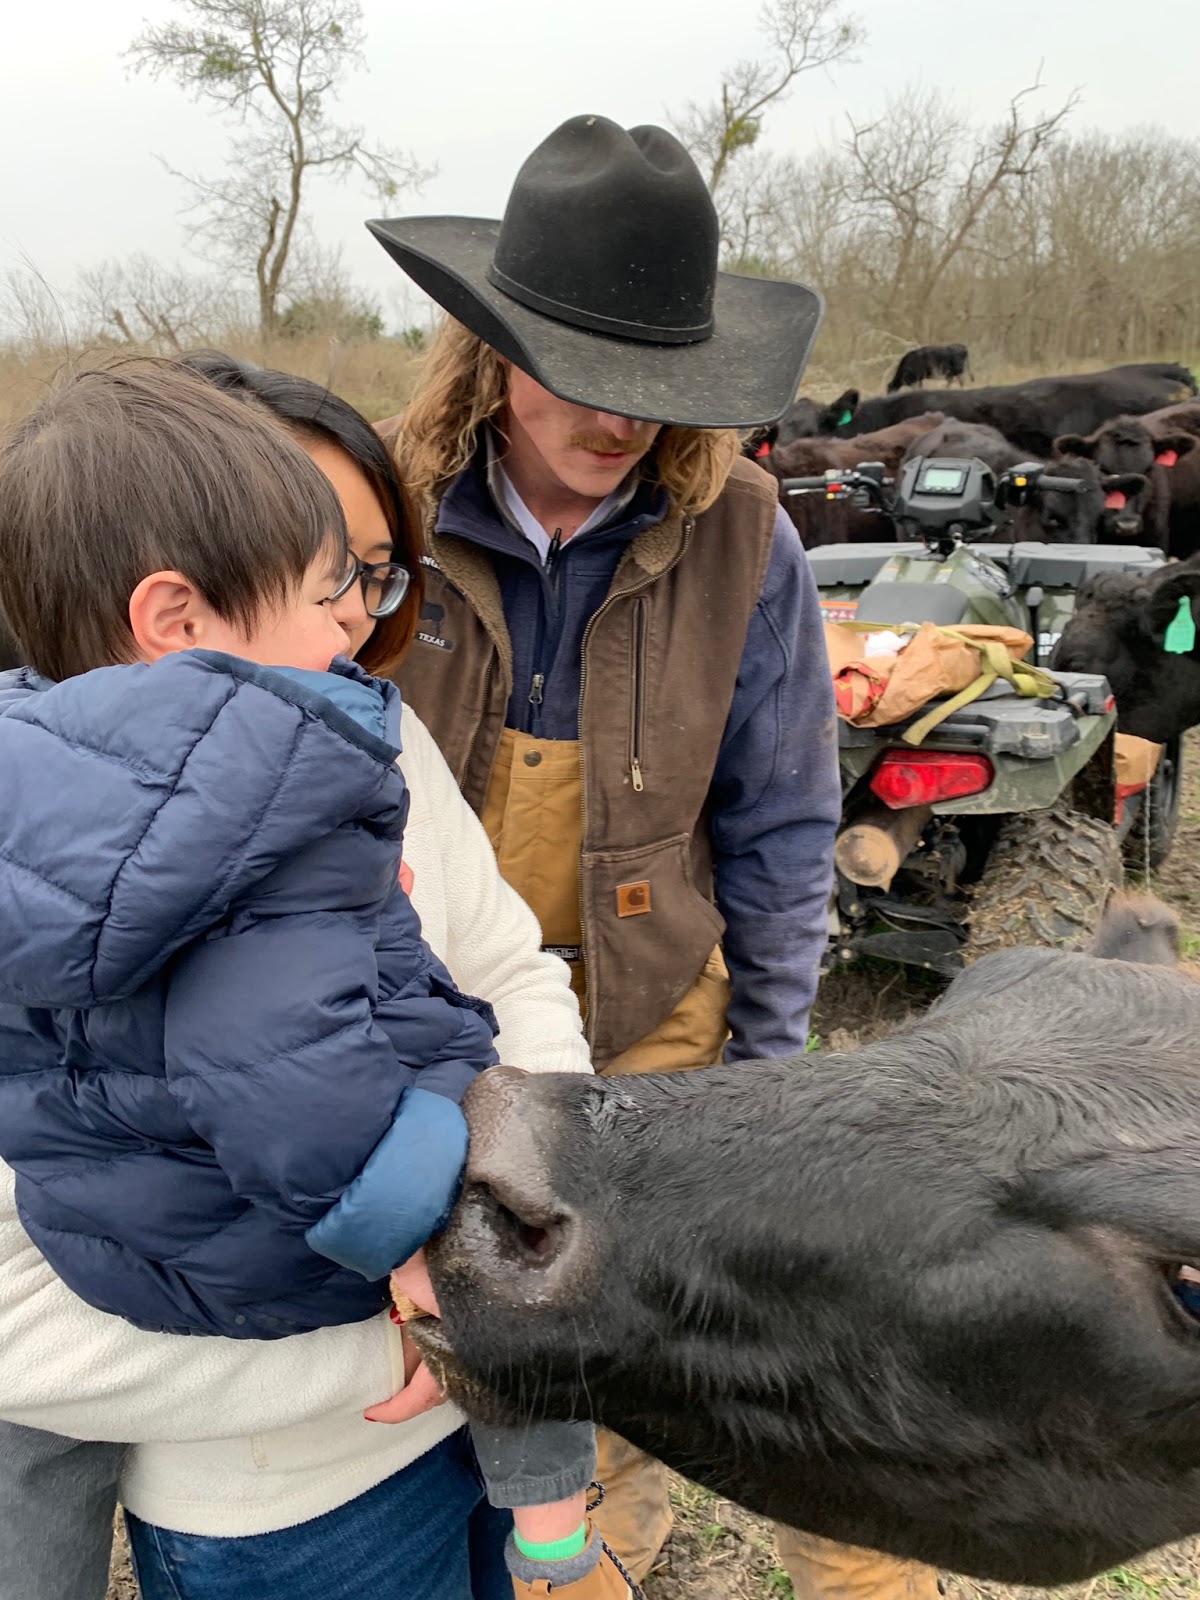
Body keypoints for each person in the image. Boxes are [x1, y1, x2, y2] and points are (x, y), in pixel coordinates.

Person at [365, 113, 929, 1600]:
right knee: (458, 1315)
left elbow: (785, 818)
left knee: (643, 1327)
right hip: (427, 1015)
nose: (624, 418)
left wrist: (766, 1056)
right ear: (490, 346)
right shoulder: (382, 520)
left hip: (657, 1018)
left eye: (658, 386)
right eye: (587, 375)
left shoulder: (748, 538)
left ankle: (610, 1532)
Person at [0, 360, 622, 1600]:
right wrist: (457, 1306)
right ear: (176, 614)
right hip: (292, 1488)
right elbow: (296, 1095)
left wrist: (521, 1191)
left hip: (458, 1373)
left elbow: (503, 966)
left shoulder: (343, 740)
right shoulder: (219, 828)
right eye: (326, 579)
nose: (355, 622)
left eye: (373, 573)